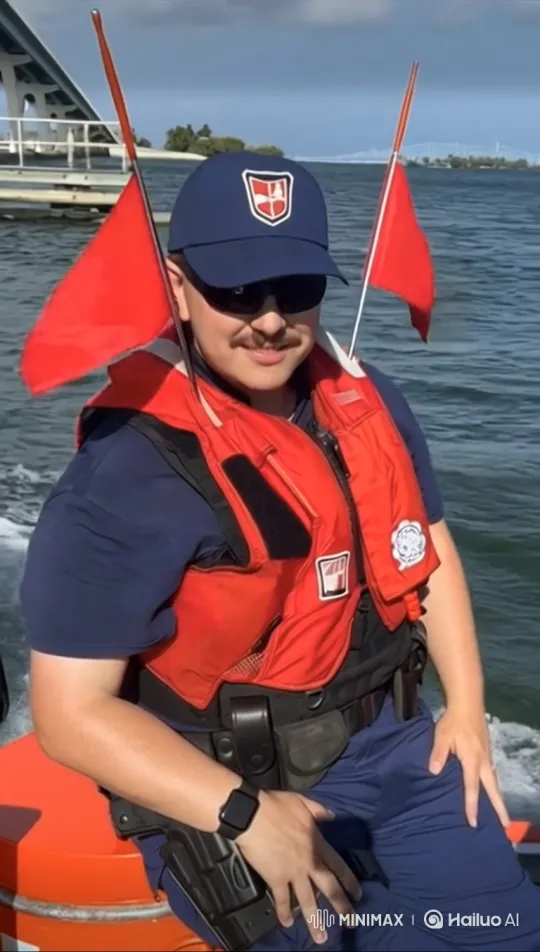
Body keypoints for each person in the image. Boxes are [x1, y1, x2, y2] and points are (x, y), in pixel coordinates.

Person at [20, 151, 540, 952]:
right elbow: (68, 712)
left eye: (295, 290)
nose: (269, 320)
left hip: (395, 744)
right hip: (233, 780)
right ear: (178, 284)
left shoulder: (366, 402)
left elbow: (425, 546)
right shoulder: (127, 472)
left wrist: (466, 709)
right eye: (235, 290)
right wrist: (245, 815)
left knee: (499, 931)